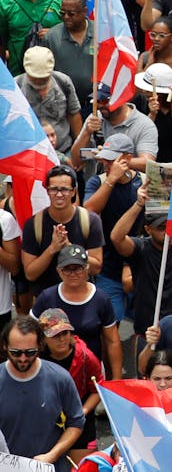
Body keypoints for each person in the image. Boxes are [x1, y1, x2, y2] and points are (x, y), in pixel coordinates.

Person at [0, 315, 86, 471]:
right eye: (16, 352)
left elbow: (76, 423)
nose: (23, 359)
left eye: (30, 352)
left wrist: (52, 455)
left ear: (40, 346)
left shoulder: (60, 378)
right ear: (5, 346)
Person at [31, 245, 121, 380]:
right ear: (59, 271)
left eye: (78, 268)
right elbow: (30, 334)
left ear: (87, 268)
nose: (73, 274)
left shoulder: (101, 299)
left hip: (89, 372)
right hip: (52, 371)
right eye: (67, 269)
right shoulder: (46, 297)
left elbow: (112, 341)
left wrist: (117, 379)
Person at [22, 165, 106, 293]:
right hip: (46, 299)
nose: (59, 194)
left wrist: (70, 248)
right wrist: (52, 249)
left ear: (73, 191)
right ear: (47, 191)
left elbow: (96, 268)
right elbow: (30, 273)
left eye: (64, 189)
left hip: (82, 298)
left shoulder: (90, 221)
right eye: (54, 189)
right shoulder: (33, 224)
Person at [36, 308, 101, 461]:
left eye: (65, 333)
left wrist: (82, 411)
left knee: (83, 468)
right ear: (43, 339)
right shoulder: (35, 357)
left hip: (79, 418)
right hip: (47, 420)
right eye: (55, 335)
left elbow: (98, 388)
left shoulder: (86, 357)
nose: (62, 339)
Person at [0, 0, 66, 74]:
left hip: (54, 71)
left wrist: (55, 32)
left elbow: (73, 30)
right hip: (18, 72)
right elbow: (1, 39)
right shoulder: (5, 1)